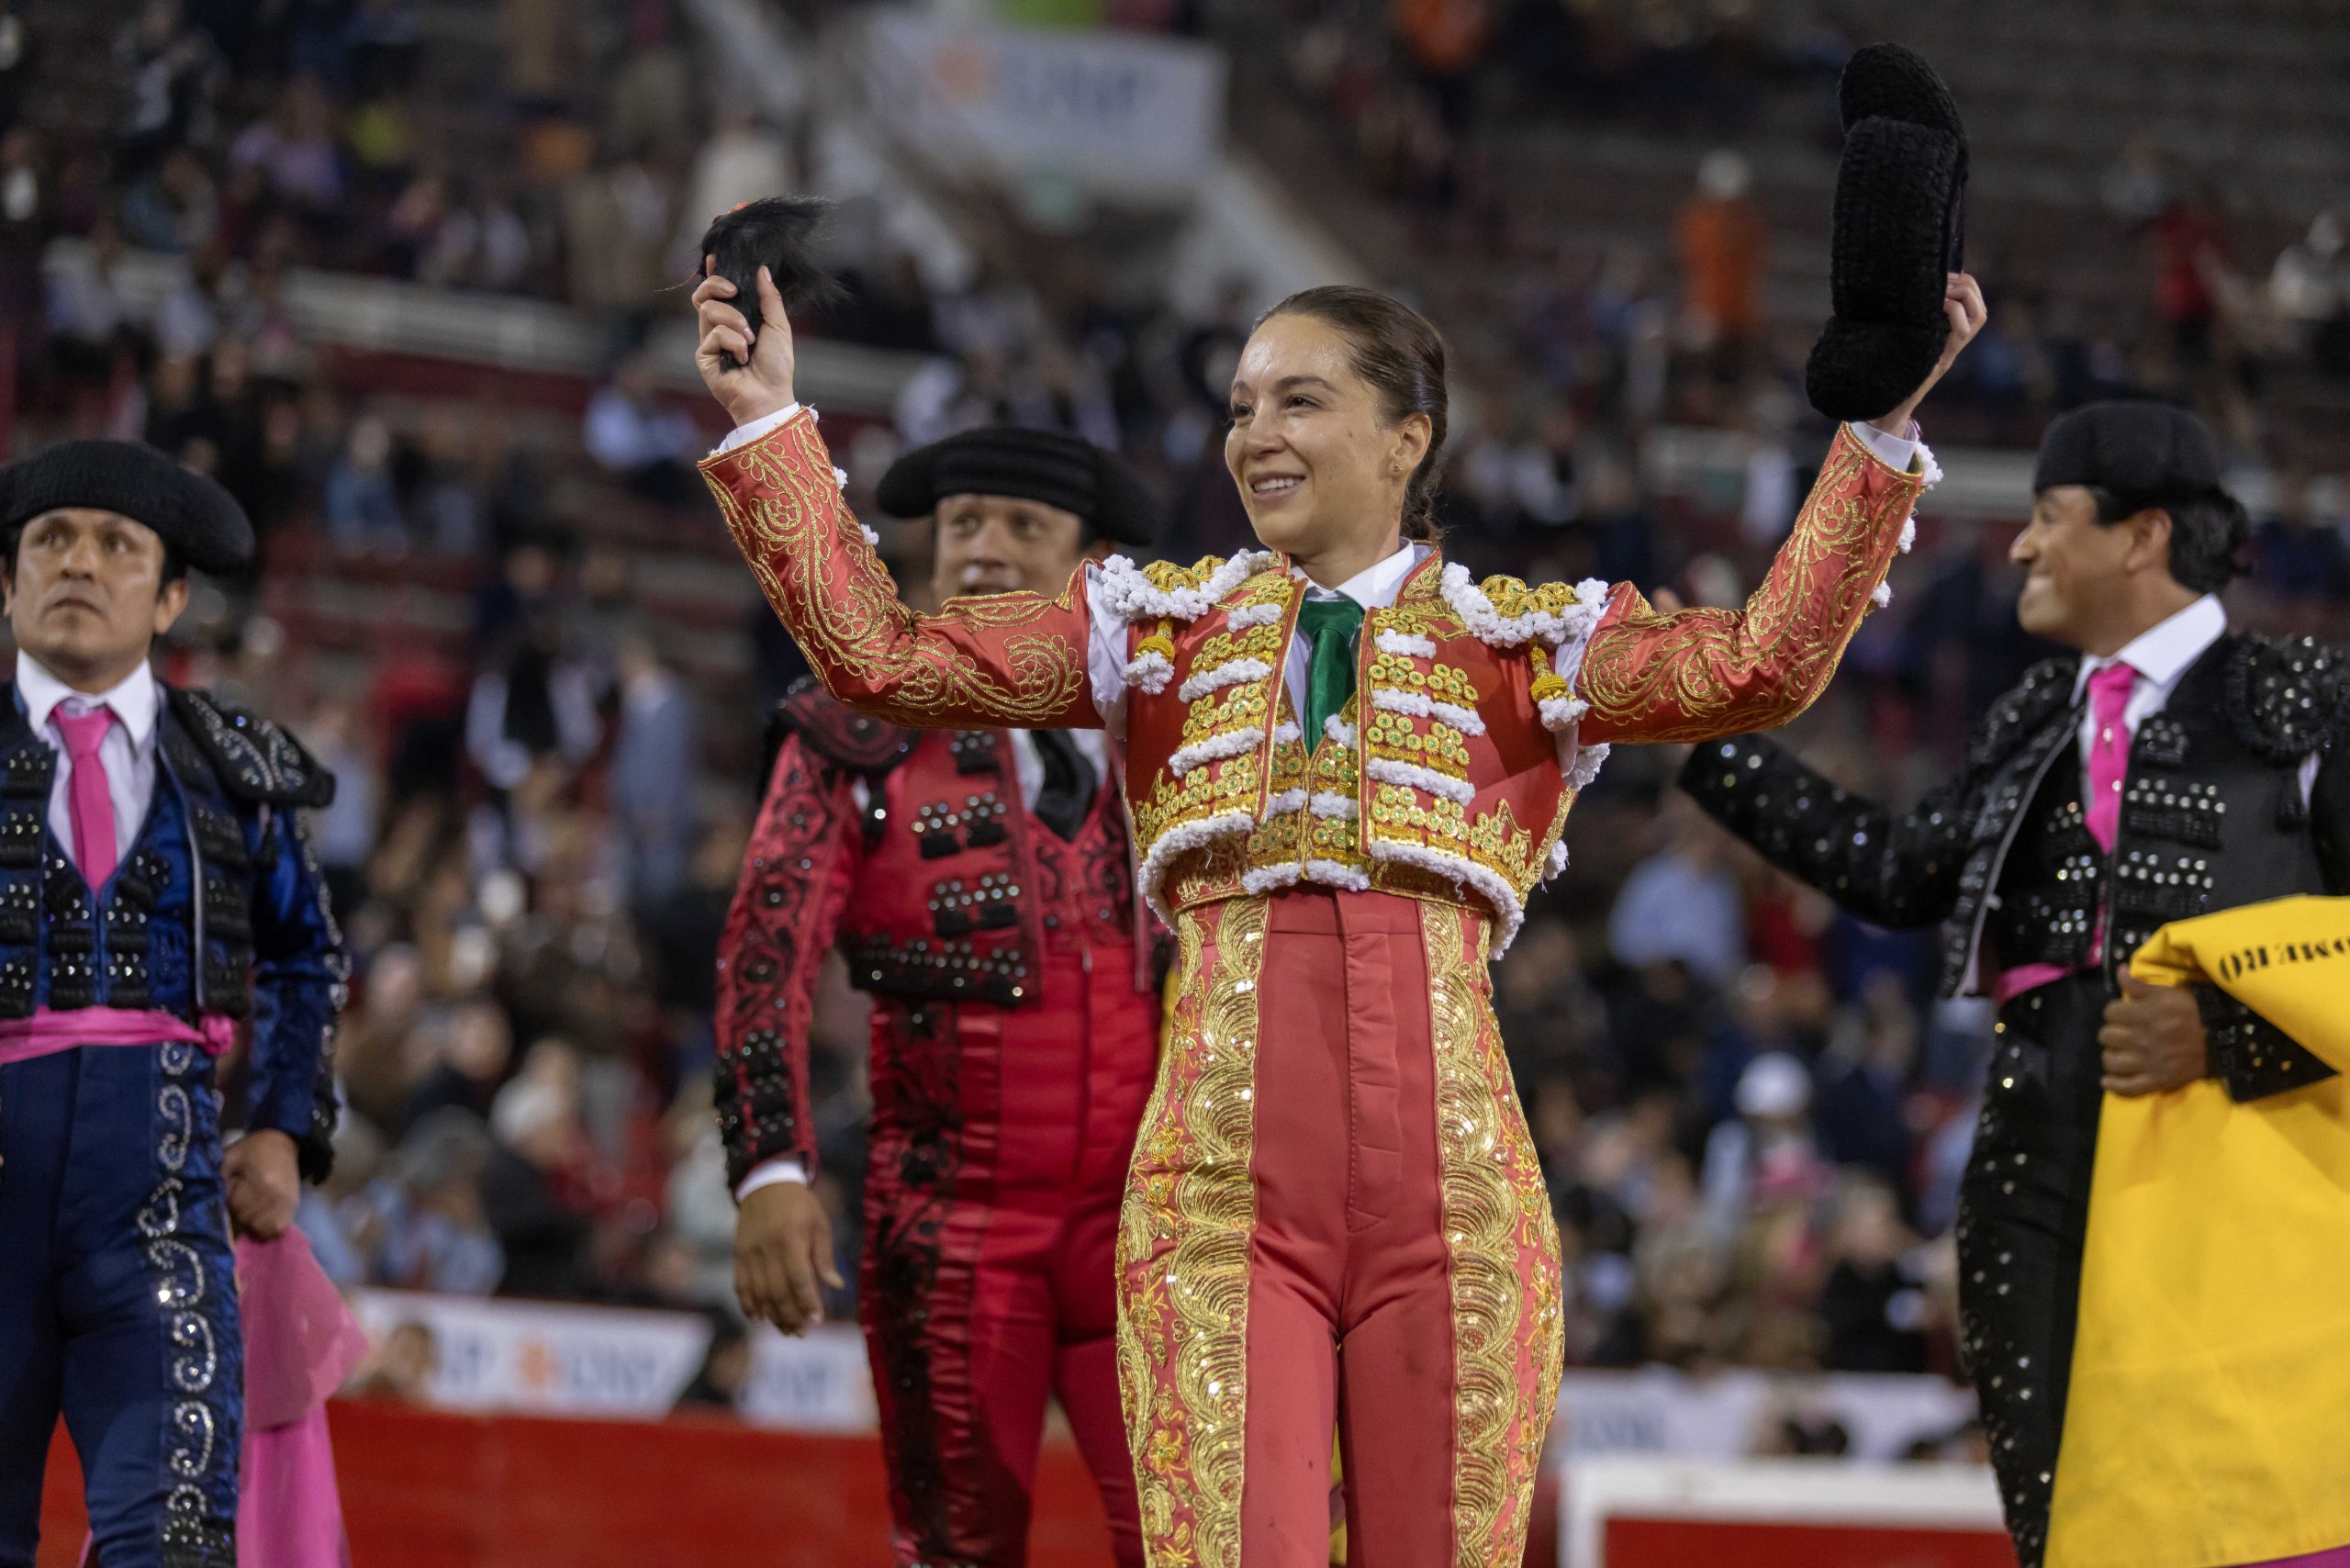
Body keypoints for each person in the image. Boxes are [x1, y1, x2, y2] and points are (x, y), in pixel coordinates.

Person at [692, 257, 1978, 1563]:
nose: (1256, 437)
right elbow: (884, 659)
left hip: (1459, 1216)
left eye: (1299, 403)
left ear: (1406, 437)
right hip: (1216, 1207)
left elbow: (1762, 663)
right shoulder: (1150, 630)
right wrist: (768, 421)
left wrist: (1877, 436)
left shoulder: (1527, 641)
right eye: (1243, 408)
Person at [1680, 400, 2350, 1568]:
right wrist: (1696, 730)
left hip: (2236, 1158)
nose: (2022, 546)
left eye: (2047, 516)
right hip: (2030, 1152)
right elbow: (1896, 872)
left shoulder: (2301, 703)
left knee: (2246, 1497)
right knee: (2060, 1518)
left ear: (2142, 537)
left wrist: (2237, 1036)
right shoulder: (2037, 715)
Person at [719, 424, 1162, 1568]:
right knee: (959, 1548)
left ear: (1092, 563)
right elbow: (766, 952)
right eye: (963, 523)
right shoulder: (854, 733)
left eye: (1023, 527)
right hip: (950, 1224)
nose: (983, 551)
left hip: (1153, 1225)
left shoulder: (1167, 731)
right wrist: (771, 1166)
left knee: (1201, 1541)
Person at [0, 440, 345, 1567]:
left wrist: (287, 1128)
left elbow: (306, 955)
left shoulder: (235, 767)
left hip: (159, 1213)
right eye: (49, 541)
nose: (78, 565)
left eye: (116, 546)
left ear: (171, 597)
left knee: (177, 1543)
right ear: (7, 583)